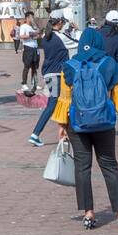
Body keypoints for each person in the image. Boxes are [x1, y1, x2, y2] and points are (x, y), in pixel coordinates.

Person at [52, 29, 118, 231]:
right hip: (103, 122)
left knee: (82, 167)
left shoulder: (70, 65)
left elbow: (65, 98)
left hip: (77, 123)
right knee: (109, 165)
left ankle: (89, 213)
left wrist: (62, 125)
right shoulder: (109, 64)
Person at [28, 14, 70, 145]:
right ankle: (35, 133)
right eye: (63, 22)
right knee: (53, 103)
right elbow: (78, 42)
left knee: (57, 101)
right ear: (60, 23)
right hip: (57, 74)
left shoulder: (46, 36)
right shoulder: (61, 37)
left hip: (48, 73)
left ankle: (64, 133)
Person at [18, 10, 41, 94]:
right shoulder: (24, 26)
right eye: (31, 17)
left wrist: (37, 35)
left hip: (35, 48)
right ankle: (24, 83)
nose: (32, 19)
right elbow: (21, 36)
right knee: (27, 66)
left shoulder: (33, 27)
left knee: (34, 66)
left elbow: (37, 36)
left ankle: (34, 83)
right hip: (28, 48)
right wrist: (30, 35)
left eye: (33, 17)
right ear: (27, 18)